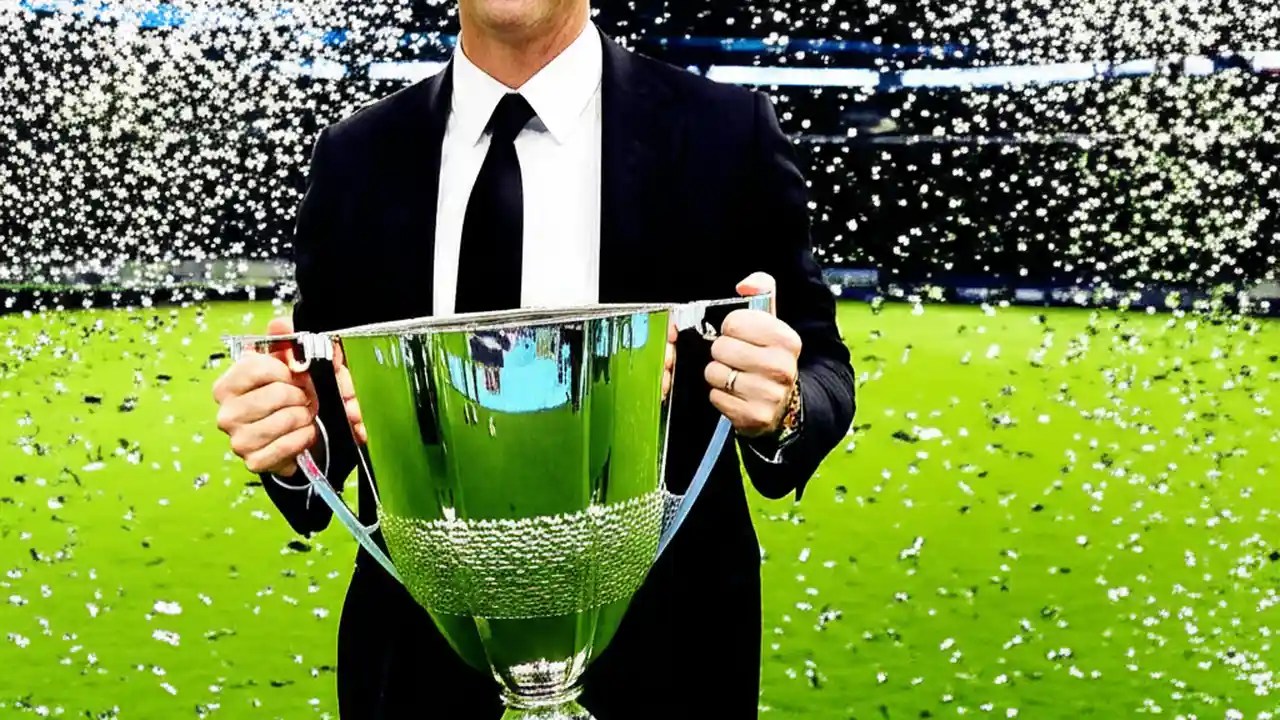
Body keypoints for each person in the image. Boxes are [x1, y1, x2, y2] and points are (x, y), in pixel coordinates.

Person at [211, 0, 856, 717]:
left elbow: (823, 368)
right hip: (417, 667)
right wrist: (287, 430)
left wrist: (784, 405)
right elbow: (327, 401)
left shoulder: (723, 133)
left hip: (669, 661)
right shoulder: (356, 154)